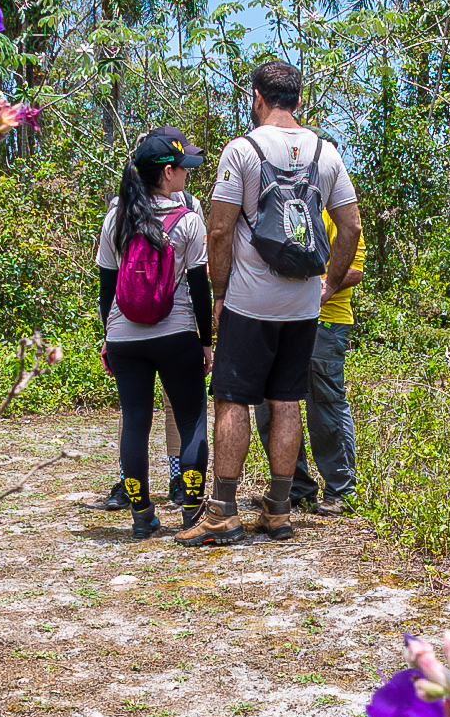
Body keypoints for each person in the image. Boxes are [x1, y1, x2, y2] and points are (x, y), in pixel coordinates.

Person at [184, 57, 356, 547]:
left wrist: (219, 294)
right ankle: (279, 511)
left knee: (233, 399)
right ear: (298, 100)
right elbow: (352, 227)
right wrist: (329, 282)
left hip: (250, 300)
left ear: (255, 97)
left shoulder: (242, 150)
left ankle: (222, 511)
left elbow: (218, 229)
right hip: (303, 303)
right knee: (287, 400)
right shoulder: (327, 153)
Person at [95, 132, 211, 536]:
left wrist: (109, 337)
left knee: (135, 423)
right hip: (176, 334)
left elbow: (106, 289)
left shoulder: (115, 218)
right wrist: (206, 341)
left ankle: (142, 516)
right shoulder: (189, 221)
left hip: (125, 337)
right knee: (192, 419)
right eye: (182, 169)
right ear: (167, 172)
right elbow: (200, 289)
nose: (186, 176)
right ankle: (192, 509)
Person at [284, 209, 368, 514]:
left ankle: (341, 490)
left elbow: (355, 270)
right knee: (277, 406)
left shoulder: (337, 208)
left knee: (325, 405)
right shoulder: (286, 201)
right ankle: (296, 488)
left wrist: (320, 287)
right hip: (283, 321)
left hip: (327, 321)